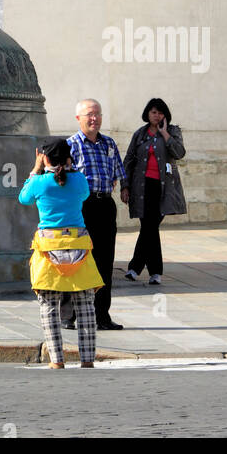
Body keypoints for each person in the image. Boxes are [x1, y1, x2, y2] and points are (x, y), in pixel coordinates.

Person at [18, 137, 103, 368]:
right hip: (79, 245)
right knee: (85, 304)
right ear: (68, 158)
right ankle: (87, 359)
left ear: (44, 157)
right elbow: (84, 194)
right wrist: (69, 169)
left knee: (49, 305)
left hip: (48, 247)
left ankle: (57, 360)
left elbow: (23, 198)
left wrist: (35, 169)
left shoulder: (40, 182)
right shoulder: (79, 180)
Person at [61, 99, 128, 330]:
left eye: (98, 114)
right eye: (89, 114)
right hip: (81, 207)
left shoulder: (108, 143)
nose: (94, 118)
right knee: (75, 259)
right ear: (78, 118)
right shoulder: (71, 145)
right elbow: (62, 179)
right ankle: (68, 316)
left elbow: (119, 171)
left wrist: (125, 188)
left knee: (104, 261)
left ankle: (102, 316)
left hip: (105, 205)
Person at [123, 98, 187, 284]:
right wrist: (125, 185)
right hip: (142, 187)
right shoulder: (140, 134)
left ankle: (135, 268)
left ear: (164, 115)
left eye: (159, 112)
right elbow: (128, 160)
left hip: (163, 188)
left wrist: (164, 133)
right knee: (149, 227)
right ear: (147, 114)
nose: (156, 115)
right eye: (153, 112)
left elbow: (179, 153)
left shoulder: (172, 131)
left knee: (149, 227)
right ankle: (154, 273)